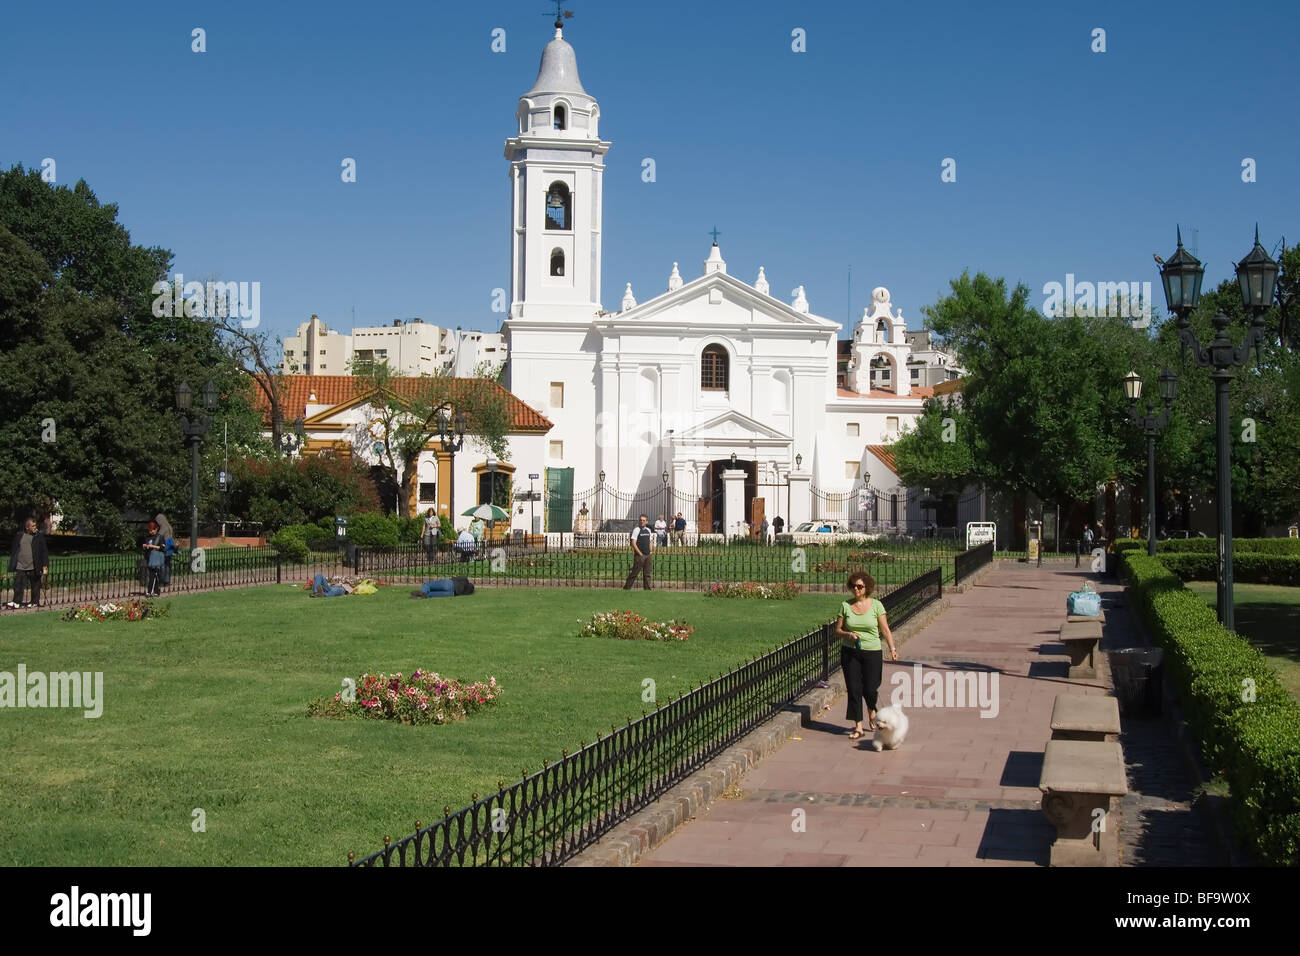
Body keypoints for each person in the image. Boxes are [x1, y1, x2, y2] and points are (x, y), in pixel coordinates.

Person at [833, 570, 897, 740]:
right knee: (854, 689)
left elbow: (885, 629)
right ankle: (858, 726)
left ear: (867, 587)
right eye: (853, 586)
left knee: (870, 688)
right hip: (850, 652)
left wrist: (892, 649)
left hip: (872, 651)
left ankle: (872, 710)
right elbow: (837, 631)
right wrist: (848, 635)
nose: (856, 589)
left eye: (860, 586)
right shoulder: (845, 606)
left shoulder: (876, 605)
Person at [7, 517, 50, 609]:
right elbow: (15, 549)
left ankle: (34, 602)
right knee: (18, 584)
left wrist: (45, 566)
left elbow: (44, 552)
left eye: (35, 525)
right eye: (32, 526)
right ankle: (16, 602)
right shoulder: (19, 535)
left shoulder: (38, 536)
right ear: (27, 527)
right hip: (21, 565)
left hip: (34, 565)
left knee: (35, 585)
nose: (35, 527)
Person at [624, 514, 653, 590]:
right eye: (640, 520)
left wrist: (651, 551)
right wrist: (640, 553)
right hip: (639, 555)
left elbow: (650, 541)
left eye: (643, 520)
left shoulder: (648, 530)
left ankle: (647, 589)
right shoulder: (636, 530)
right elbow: (633, 543)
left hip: (648, 555)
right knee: (634, 573)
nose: (642, 522)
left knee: (647, 574)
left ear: (646, 522)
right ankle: (627, 588)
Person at [141, 520, 166, 597]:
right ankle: (157, 591)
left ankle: (149, 591)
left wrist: (152, 546)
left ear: (156, 529)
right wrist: (145, 546)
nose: (150, 532)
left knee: (152, 575)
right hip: (149, 557)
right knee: (153, 575)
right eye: (149, 530)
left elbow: (162, 548)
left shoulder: (160, 537)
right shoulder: (148, 537)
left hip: (156, 559)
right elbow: (146, 547)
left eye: (152, 530)